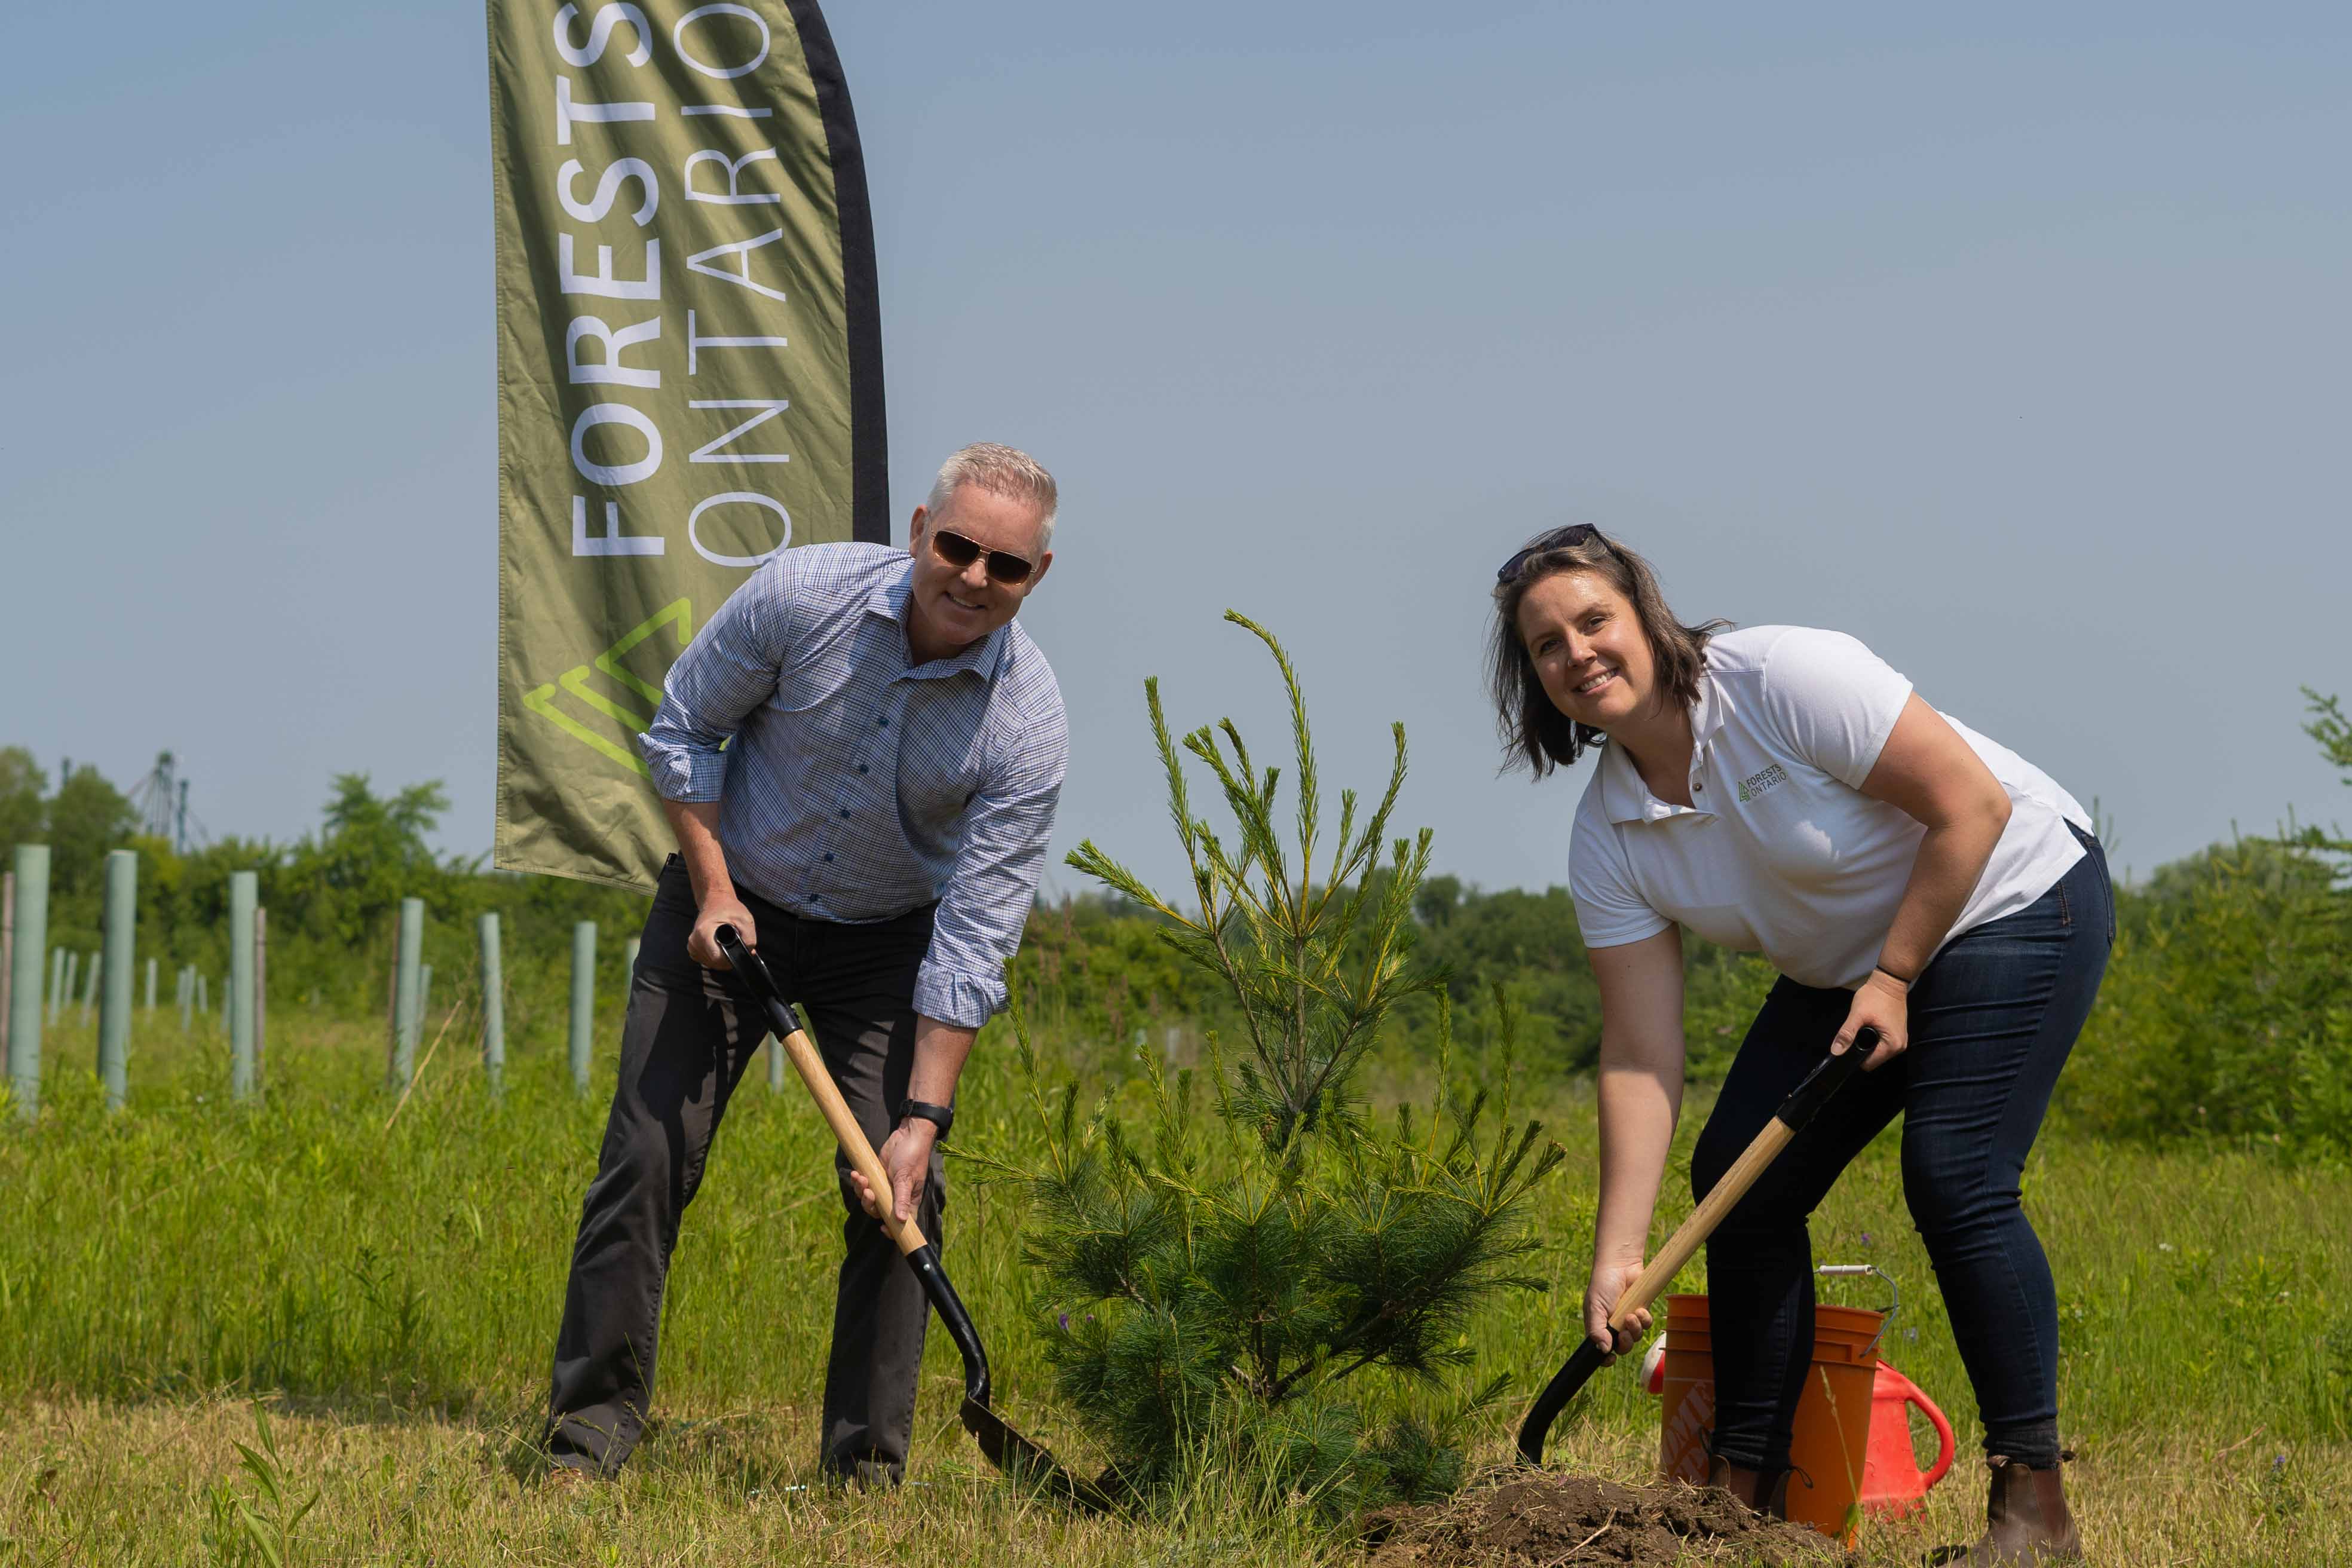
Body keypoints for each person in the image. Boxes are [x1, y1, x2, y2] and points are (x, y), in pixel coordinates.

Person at [1487, 524, 2110, 1566]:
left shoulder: (1780, 679)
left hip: (2011, 894)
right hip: (1852, 967)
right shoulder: (1608, 835)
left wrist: (1898, 977)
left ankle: (2033, 1509)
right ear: (1534, 676)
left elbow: (1973, 805)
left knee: (1954, 1178)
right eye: (1547, 646)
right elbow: (1641, 1052)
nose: (1578, 654)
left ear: (1644, 613)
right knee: (1738, 1182)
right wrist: (1618, 1253)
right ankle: (1743, 1506)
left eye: (1594, 621)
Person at [544, 442, 1067, 1486]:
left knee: (898, 1191)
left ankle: (863, 1471)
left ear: (1034, 578)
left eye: (1004, 566)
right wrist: (715, 887)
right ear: (921, 530)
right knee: (647, 1159)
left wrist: (923, 1122)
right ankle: (585, 1439)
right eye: (958, 547)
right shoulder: (801, 594)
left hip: (886, 942)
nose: (973, 578)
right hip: (726, 907)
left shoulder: (1028, 721)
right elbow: (686, 732)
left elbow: (976, 929)